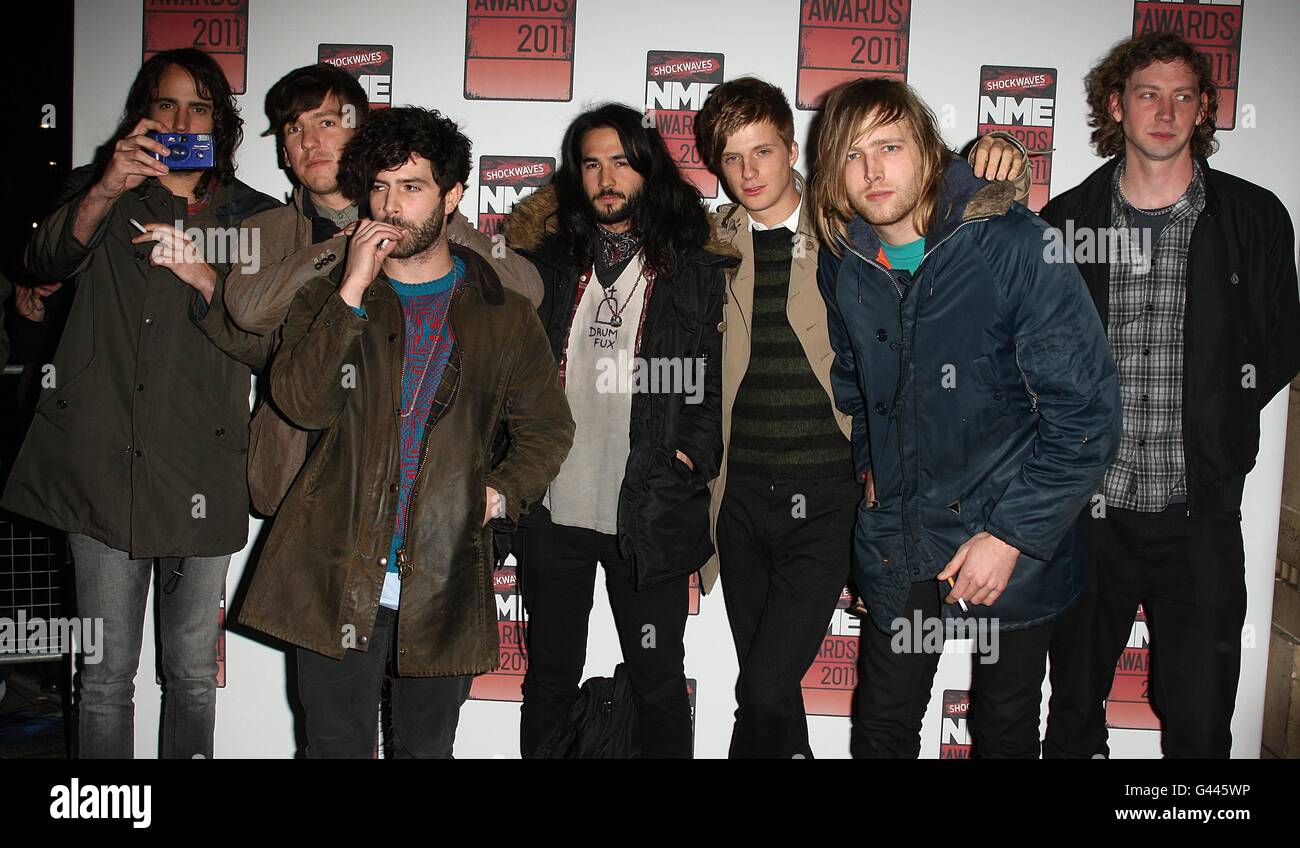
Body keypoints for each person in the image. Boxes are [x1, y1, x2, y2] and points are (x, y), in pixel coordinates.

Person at [693, 76, 1030, 758]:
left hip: (828, 499)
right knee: (774, 688)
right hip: (737, 500)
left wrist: (997, 150)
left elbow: (939, 203)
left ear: (794, 149)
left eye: (762, 151)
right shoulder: (709, 248)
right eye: (731, 158)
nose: (749, 172)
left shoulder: (850, 235)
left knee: (761, 688)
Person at [237, 107, 573, 758]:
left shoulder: (502, 316)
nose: (391, 206)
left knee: (427, 751)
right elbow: (300, 402)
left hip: (443, 576)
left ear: (452, 196)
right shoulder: (330, 297)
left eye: (411, 187)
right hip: (332, 569)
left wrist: (500, 493)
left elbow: (548, 427)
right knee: (333, 748)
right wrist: (352, 291)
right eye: (380, 188)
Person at [813, 77, 1120, 758]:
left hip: (1008, 535)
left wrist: (1009, 537)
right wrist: (871, 467)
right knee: (882, 725)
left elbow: (1088, 416)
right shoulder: (847, 262)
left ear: (927, 150)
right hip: (900, 533)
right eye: (852, 154)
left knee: (1005, 726)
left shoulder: (1013, 245)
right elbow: (856, 384)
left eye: (889, 146)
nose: (872, 170)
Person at [1, 48, 279, 758]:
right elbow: (43, 263)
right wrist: (103, 185)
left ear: (222, 124)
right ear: (141, 116)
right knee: (102, 676)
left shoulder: (257, 219)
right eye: (165, 104)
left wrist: (205, 277)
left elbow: (272, 350)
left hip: (200, 471)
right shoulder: (103, 194)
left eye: (199, 108)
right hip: (102, 470)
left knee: (189, 675)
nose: (181, 120)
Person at [1042, 31, 1300, 759]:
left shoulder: (1253, 219)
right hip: (1089, 515)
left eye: (1184, 95)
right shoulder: (1066, 222)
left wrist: (1219, 420)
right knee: (1071, 718)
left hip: (1201, 518)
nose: (1166, 111)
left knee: (1199, 721)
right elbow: (1029, 354)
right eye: (1148, 94)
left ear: (1203, 110)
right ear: (1116, 107)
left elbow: (1280, 342)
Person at [506, 103, 735, 758]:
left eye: (621, 162)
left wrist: (688, 459)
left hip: (650, 514)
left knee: (659, 681)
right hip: (554, 514)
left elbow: (709, 387)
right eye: (592, 163)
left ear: (648, 168)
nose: (606, 177)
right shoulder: (546, 264)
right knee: (549, 679)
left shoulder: (691, 269)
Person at [223, 62, 544, 515]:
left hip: (408, 468)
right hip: (301, 465)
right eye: (293, 130)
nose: (308, 142)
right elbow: (247, 310)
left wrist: (436, 220)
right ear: (283, 152)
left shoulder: (412, 207)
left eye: (327, 123)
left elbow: (526, 290)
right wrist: (345, 249)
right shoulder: (266, 229)